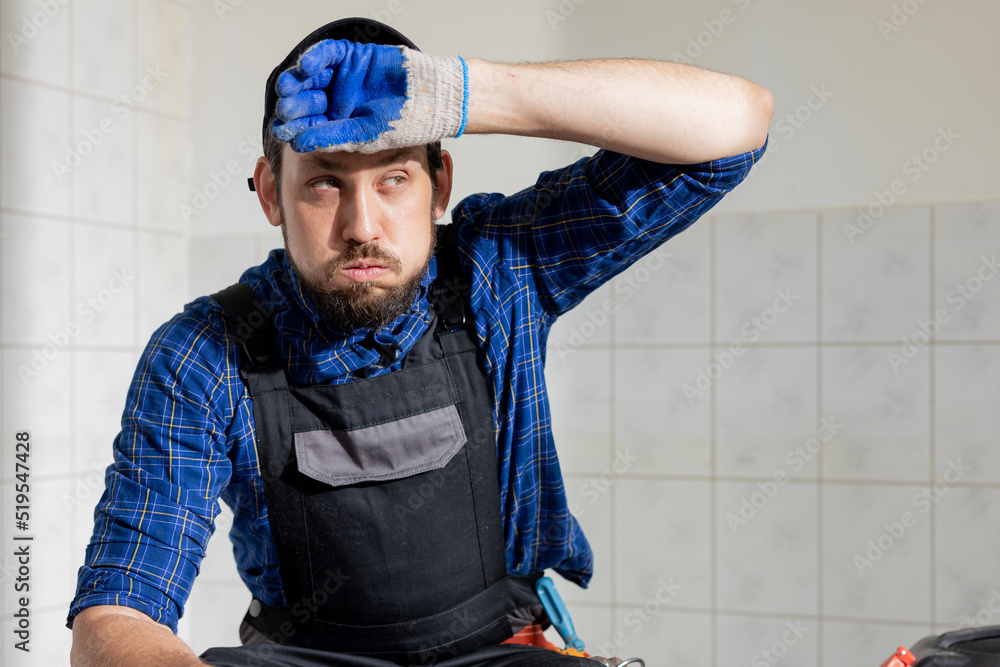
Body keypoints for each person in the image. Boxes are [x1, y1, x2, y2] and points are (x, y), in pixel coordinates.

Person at [67, 16, 773, 667]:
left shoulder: (501, 272)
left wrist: (464, 93)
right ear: (269, 194)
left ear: (441, 185)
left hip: (501, 648)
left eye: (394, 177)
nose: (362, 225)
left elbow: (737, 125)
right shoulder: (202, 352)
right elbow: (117, 611)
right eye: (323, 184)